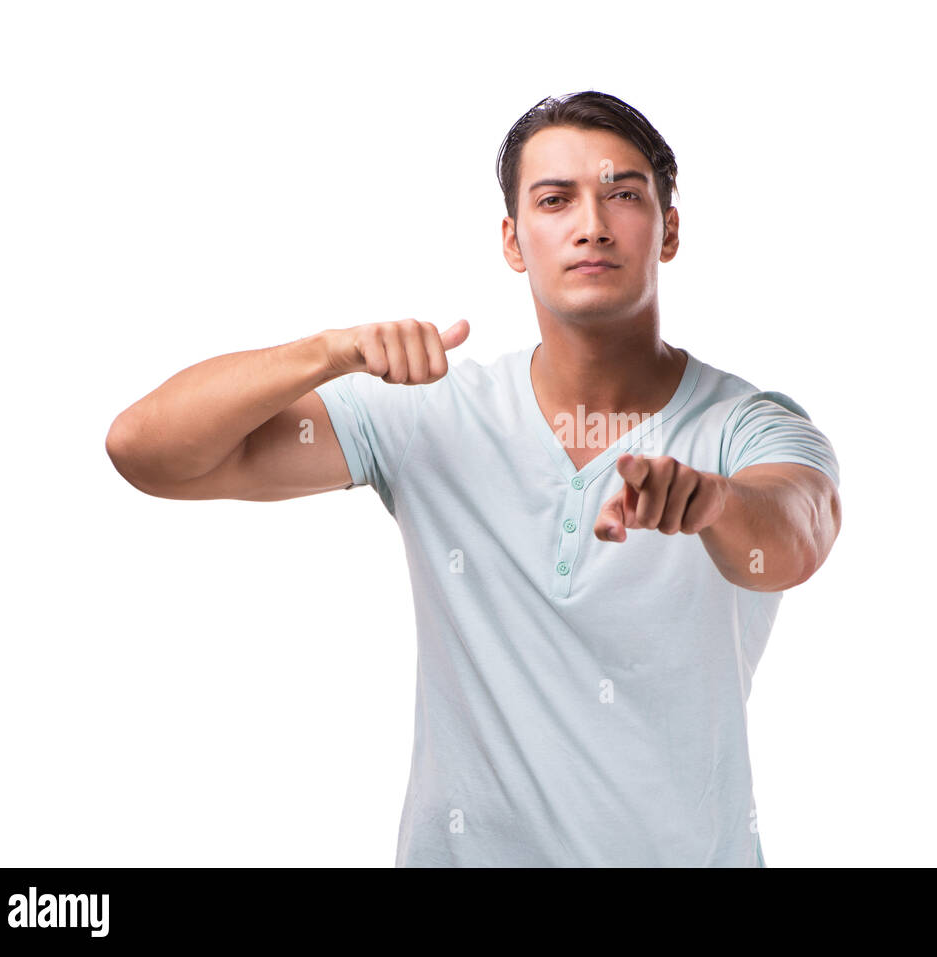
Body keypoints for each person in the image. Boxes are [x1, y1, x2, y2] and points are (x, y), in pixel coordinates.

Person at [106, 90, 842, 867]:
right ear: (513, 240)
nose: (591, 222)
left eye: (623, 194)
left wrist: (714, 500)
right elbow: (145, 450)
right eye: (555, 200)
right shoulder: (430, 412)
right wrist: (327, 351)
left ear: (670, 229)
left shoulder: (746, 426)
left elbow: (795, 536)